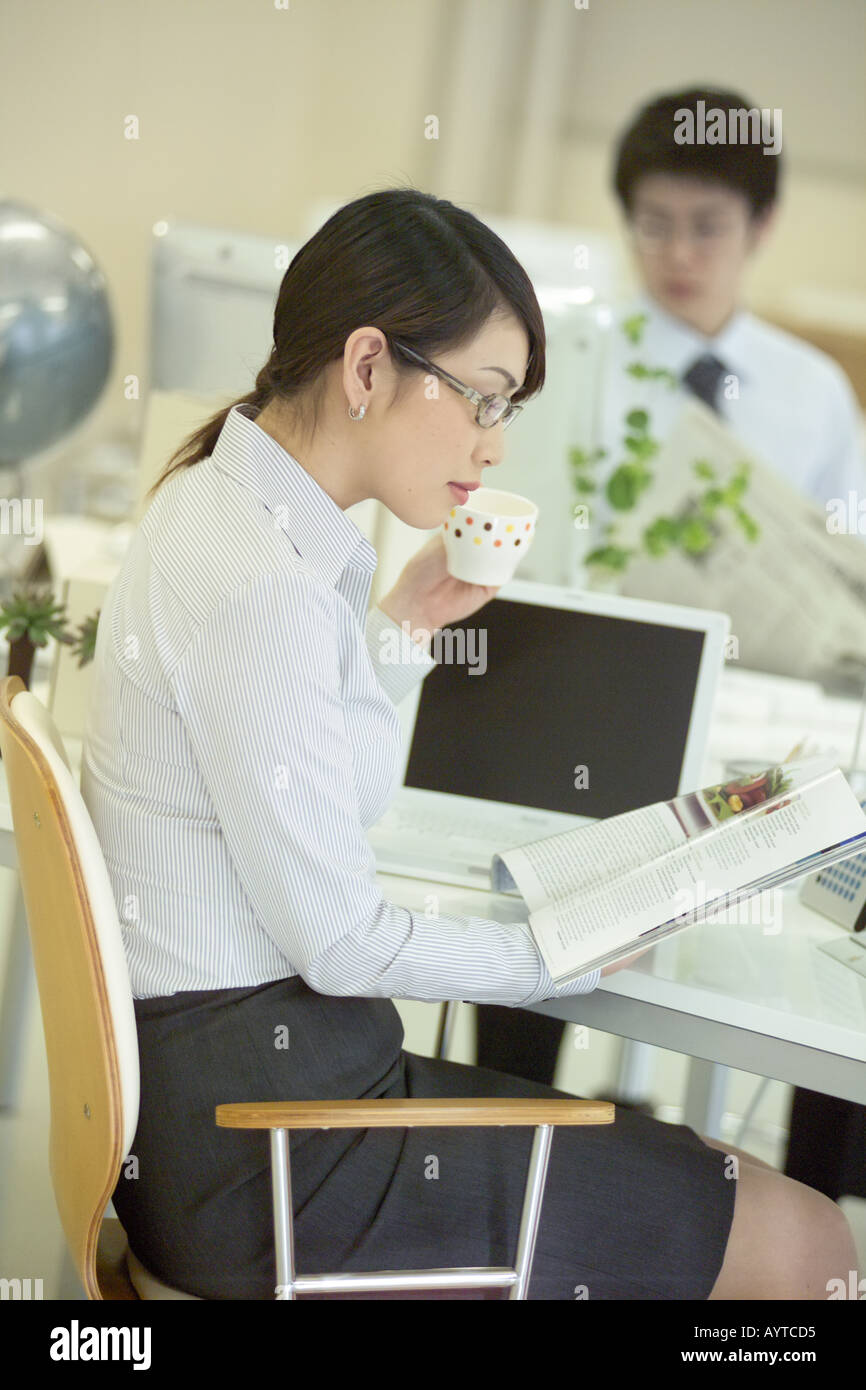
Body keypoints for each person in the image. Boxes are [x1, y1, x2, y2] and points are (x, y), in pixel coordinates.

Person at [80, 187, 858, 1300]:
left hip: (263, 1106)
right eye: (483, 401)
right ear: (364, 367)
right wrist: (564, 950)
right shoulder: (257, 579)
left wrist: (402, 627)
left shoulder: (246, 518)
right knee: (805, 1244)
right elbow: (344, 945)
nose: (493, 449)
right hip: (275, 1157)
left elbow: (336, 804)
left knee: (749, 1205)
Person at [476, 85, 866, 1097]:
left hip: (758, 725)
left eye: (706, 228)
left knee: (782, 957)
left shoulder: (810, 388)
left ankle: (737, 1166)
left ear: (760, 226)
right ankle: (510, 1122)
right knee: (533, 941)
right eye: (652, 226)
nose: (677, 255)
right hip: (593, 709)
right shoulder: (572, 359)